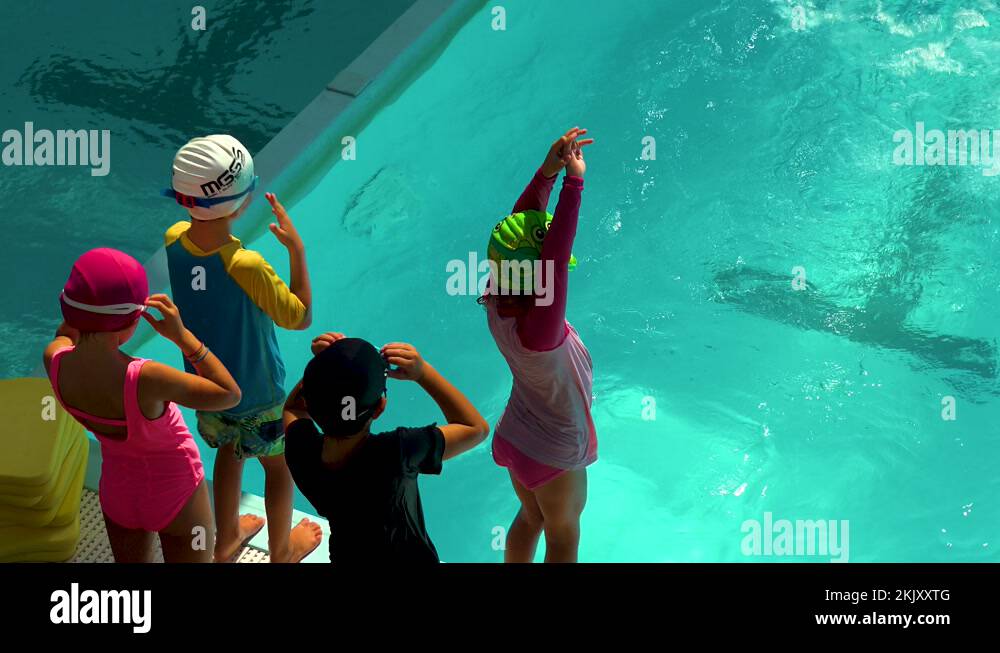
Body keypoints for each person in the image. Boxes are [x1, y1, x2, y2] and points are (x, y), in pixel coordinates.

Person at [162, 134, 321, 562]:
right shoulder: (244, 264)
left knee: (231, 453)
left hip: (208, 388)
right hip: (257, 394)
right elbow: (300, 316)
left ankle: (227, 537)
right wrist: (297, 250)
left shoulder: (174, 238)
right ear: (240, 201)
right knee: (278, 467)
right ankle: (282, 551)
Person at [44, 248, 242, 562]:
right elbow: (228, 393)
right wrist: (183, 336)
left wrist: (82, 315)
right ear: (130, 322)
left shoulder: (54, 360)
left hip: (118, 494)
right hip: (176, 497)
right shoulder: (146, 378)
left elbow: (66, 333)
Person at [481, 127, 597, 562]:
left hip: (517, 437)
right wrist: (574, 183)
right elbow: (554, 259)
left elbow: (519, 233)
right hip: (553, 455)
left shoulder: (497, 297)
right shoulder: (542, 331)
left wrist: (547, 173)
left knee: (531, 519)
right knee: (563, 537)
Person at [282, 333, 489, 563]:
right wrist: (423, 373)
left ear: (310, 400)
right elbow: (475, 428)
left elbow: (294, 409)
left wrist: (328, 365)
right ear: (381, 407)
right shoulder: (399, 452)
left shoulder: (302, 453)